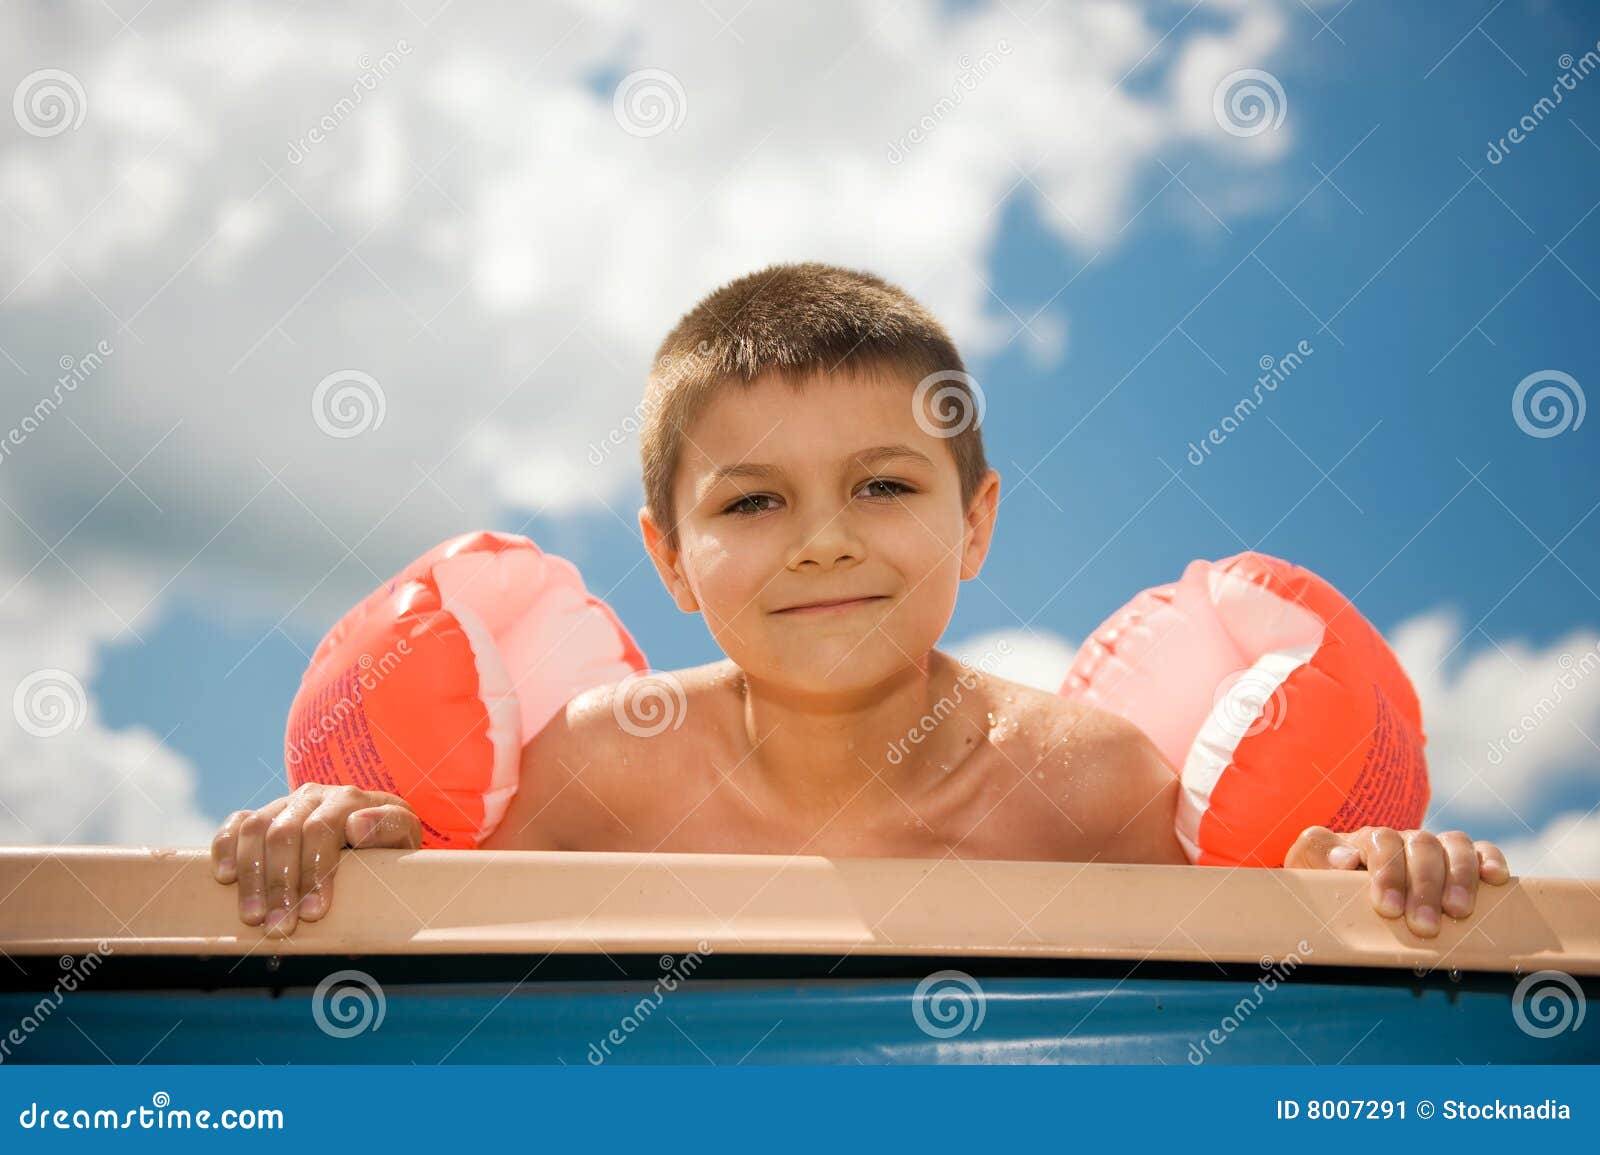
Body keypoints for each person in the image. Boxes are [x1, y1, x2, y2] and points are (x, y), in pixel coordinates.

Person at [211, 262, 1510, 938]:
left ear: (977, 522)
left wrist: (1374, 881)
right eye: (754, 503)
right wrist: (336, 839)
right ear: (670, 561)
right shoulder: (600, 774)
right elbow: (437, 981)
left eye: (883, 486)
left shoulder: (1094, 788)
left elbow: (1262, 995)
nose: (822, 546)